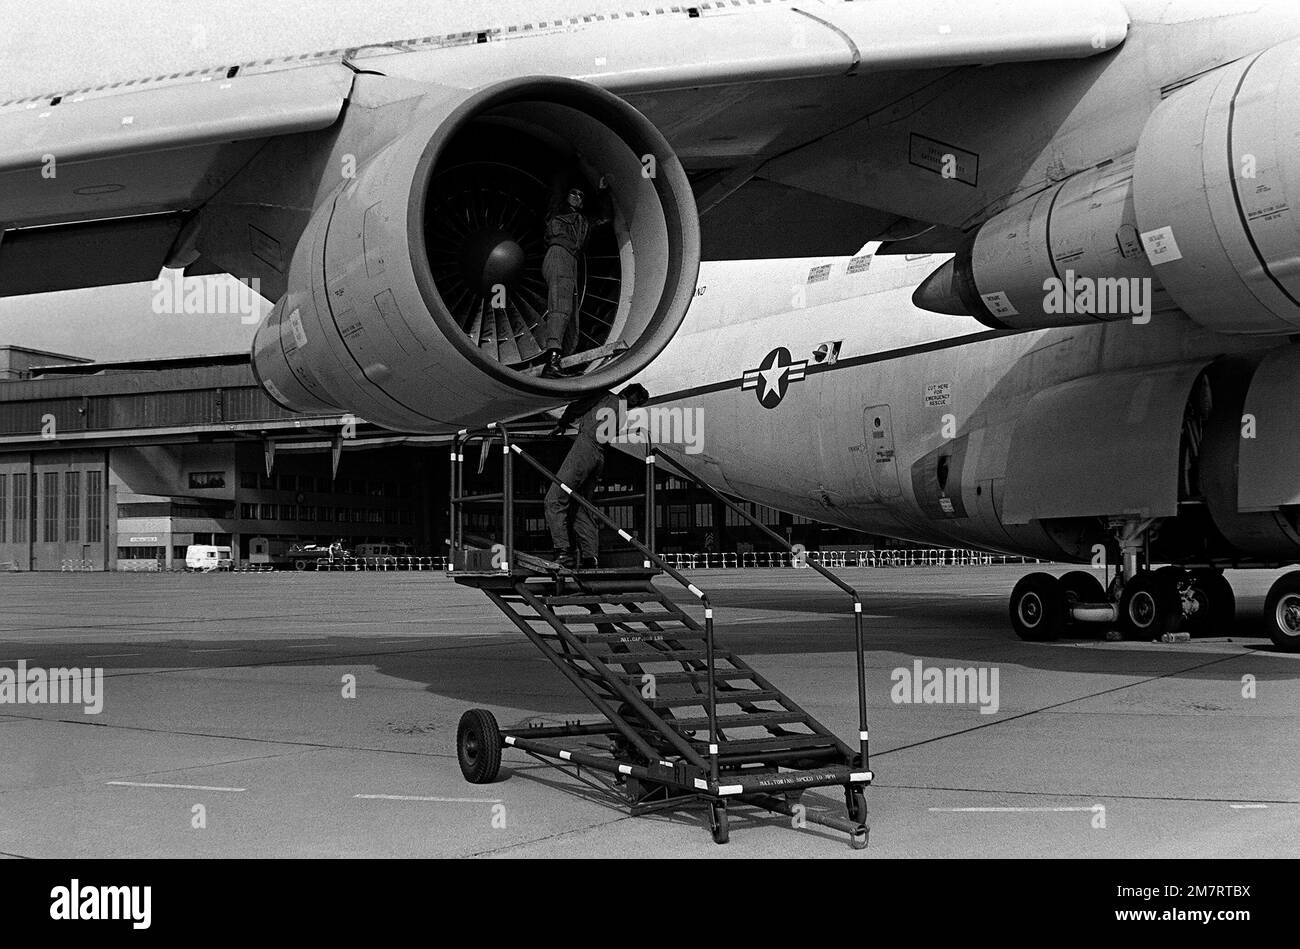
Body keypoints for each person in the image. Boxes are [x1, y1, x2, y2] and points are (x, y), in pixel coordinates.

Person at [545, 383, 650, 568]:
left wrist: (562, 422)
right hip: (599, 456)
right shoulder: (623, 414)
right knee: (581, 504)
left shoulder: (606, 397)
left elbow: (577, 407)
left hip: (586, 447)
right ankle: (589, 556)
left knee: (554, 499)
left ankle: (562, 551)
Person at [539, 173, 613, 377]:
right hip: (558, 254)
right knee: (561, 308)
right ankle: (551, 362)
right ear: (565, 196)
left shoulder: (584, 223)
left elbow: (605, 219)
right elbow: (556, 191)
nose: (577, 197)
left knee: (570, 314)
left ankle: (559, 359)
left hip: (572, 260)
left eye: (581, 195)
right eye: (573, 193)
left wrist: (603, 192)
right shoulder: (555, 213)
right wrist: (572, 163)